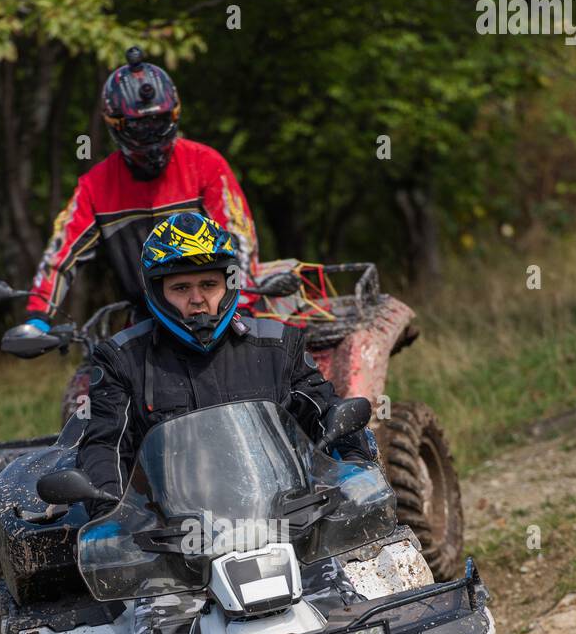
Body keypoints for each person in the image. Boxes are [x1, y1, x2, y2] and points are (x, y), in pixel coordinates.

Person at [10, 47, 261, 413]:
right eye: (138, 127)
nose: (150, 135)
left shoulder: (205, 164)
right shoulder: (96, 185)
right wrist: (38, 317)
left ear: (174, 116)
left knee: (268, 391)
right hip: (146, 320)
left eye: (158, 123)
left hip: (219, 313)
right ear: (114, 126)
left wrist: (242, 303)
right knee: (89, 408)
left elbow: (240, 239)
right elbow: (60, 255)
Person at [74, 210, 376, 496]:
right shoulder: (122, 359)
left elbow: (328, 415)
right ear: (157, 291)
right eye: (181, 288)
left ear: (229, 283)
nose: (197, 300)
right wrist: (108, 512)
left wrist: (356, 474)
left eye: (209, 284)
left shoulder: (279, 345)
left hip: (287, 517)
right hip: (169, 532)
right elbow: (105, 448)